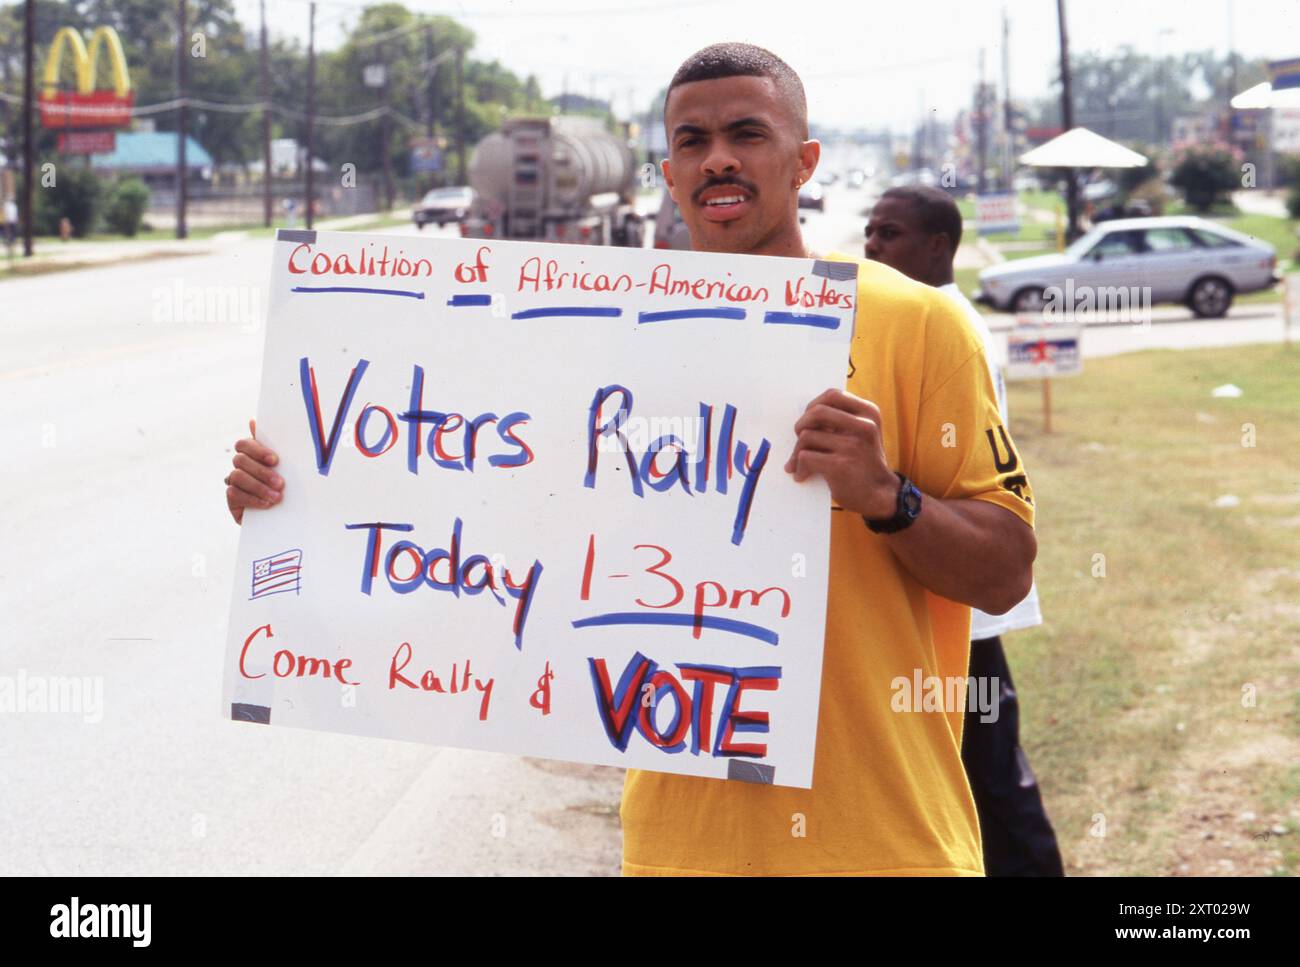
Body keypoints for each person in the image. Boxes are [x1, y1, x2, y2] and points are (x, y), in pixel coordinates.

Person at [225, 42, 1038, 877]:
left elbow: (1006, 570)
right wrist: (297, 500)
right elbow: (484, 546)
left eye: (747, 133)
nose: (717, 157)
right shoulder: (606, 340)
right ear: (667, 173)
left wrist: (886, 496)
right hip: (675, 851)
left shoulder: (919, 325)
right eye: (692, 141)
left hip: (887, 846)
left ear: (804, 163)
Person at [864, 184, 1064, 876]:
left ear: (937, 246)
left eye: (888, 234)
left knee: (993, 778)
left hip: (959, 597)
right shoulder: (917, 315)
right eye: (869, 232)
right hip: (941, 585)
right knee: (976, 769)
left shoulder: (946, 325)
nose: (871, 246)